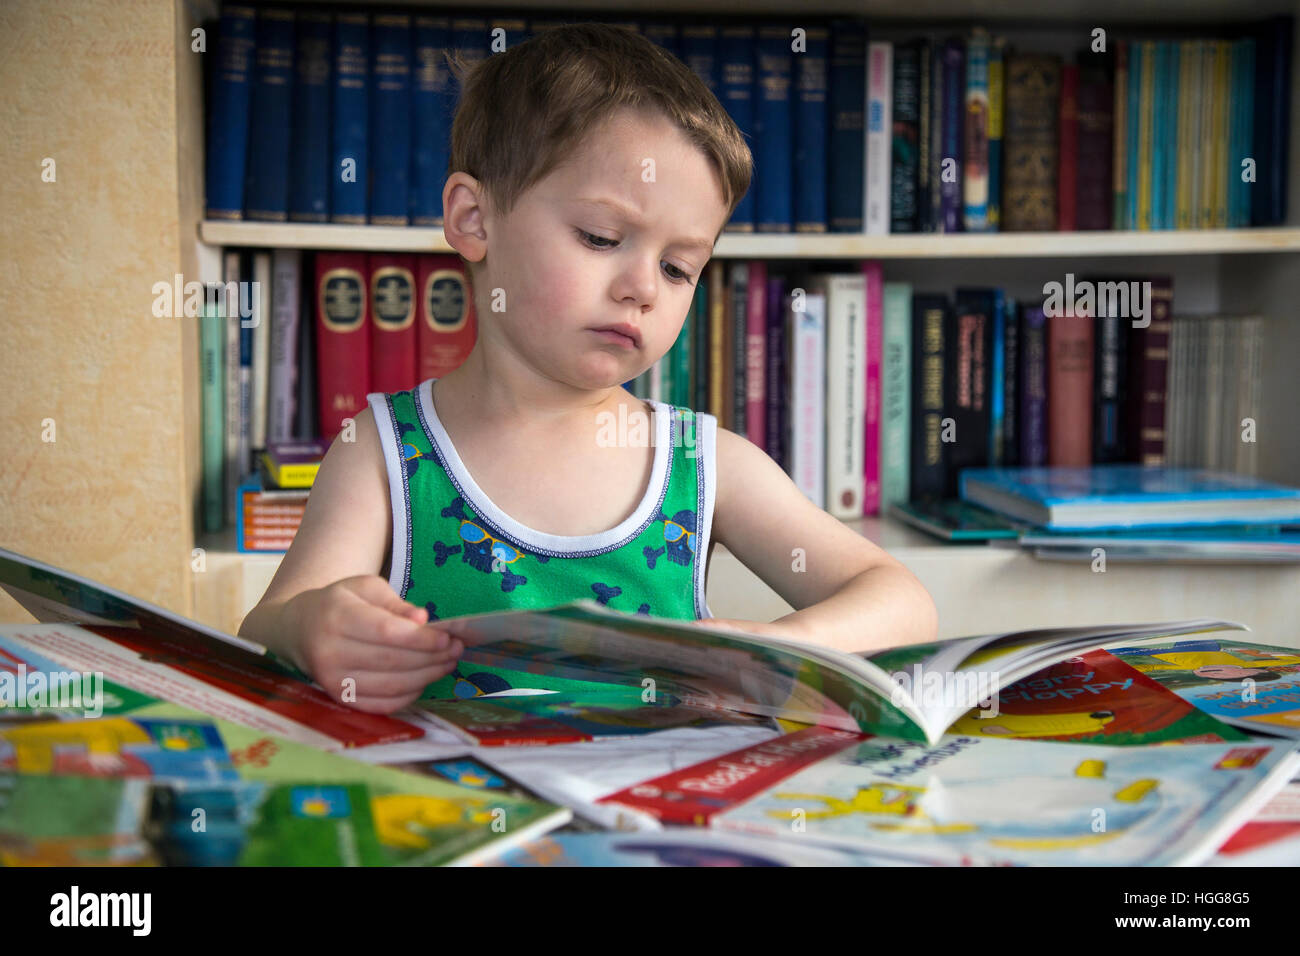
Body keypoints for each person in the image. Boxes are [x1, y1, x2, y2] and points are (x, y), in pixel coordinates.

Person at [238, 23, 938, 713]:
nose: (644, 287)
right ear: (474, 220)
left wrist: (789, 648)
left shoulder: (704, 464)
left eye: (678, 266)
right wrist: (314, 626)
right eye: (601, 238)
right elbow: (265, 626)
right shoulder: (382, 452)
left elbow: (899, 599)